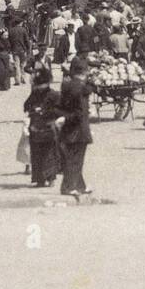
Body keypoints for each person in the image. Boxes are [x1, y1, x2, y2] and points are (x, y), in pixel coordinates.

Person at [58, 64, 94, 195]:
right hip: (79, 129)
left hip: (68, 127)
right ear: (83, 73)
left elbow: (61, 105)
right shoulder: (81, 89)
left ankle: (80, 185)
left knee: (72, 158)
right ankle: (68, 187)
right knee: (76, 159)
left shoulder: (67, 85)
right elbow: (80, 110)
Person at [23, 68, 63, 187]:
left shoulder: (54, 95)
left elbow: (59, 110)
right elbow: (26, 105)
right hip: (35, 126)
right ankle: (39, 179)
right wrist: (33, 109)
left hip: (48, 126)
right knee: (36, 153)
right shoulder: (34, 94)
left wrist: (45, 111)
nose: (39, 87)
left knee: (50, 153)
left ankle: (51, 178)